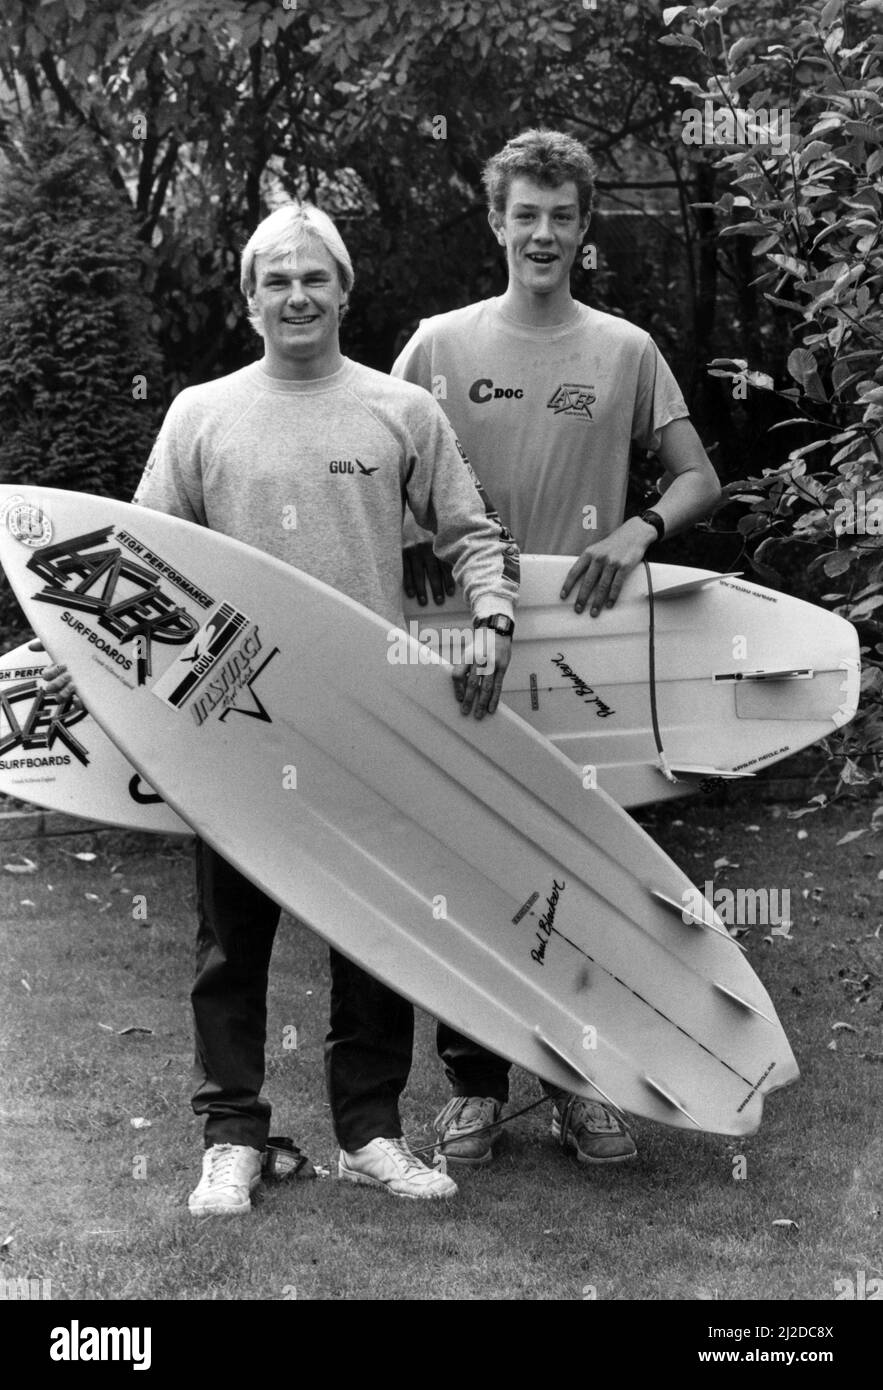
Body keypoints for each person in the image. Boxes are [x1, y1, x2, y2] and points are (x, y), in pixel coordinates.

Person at [45, 202, 521, 1212]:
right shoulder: (200, 415)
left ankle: (370, 1131)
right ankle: (232, 1135)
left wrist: (489, 612)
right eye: (278, 280)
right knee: (232, 942)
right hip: (231, 727)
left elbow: (472, 530)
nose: (297, 295)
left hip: (368, 721)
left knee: (377, 935)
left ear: (344, 292)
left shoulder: (400, 411)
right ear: (250, 298)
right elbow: (142, 567)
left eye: (315, 278)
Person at [392, 128, 721, 1171]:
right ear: (496, 223)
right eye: (523, 214)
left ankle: (584, 1091)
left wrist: (637, 530)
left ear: (584, 230)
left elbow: (697, 480)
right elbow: (376, 464)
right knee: (470, 864)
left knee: (585, 871)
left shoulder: (625, 350)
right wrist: (412, 545)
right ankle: (475, 1091)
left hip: (589, 646)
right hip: (463, 641)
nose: (541, 232)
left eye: (561, 216)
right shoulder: (436, 346)